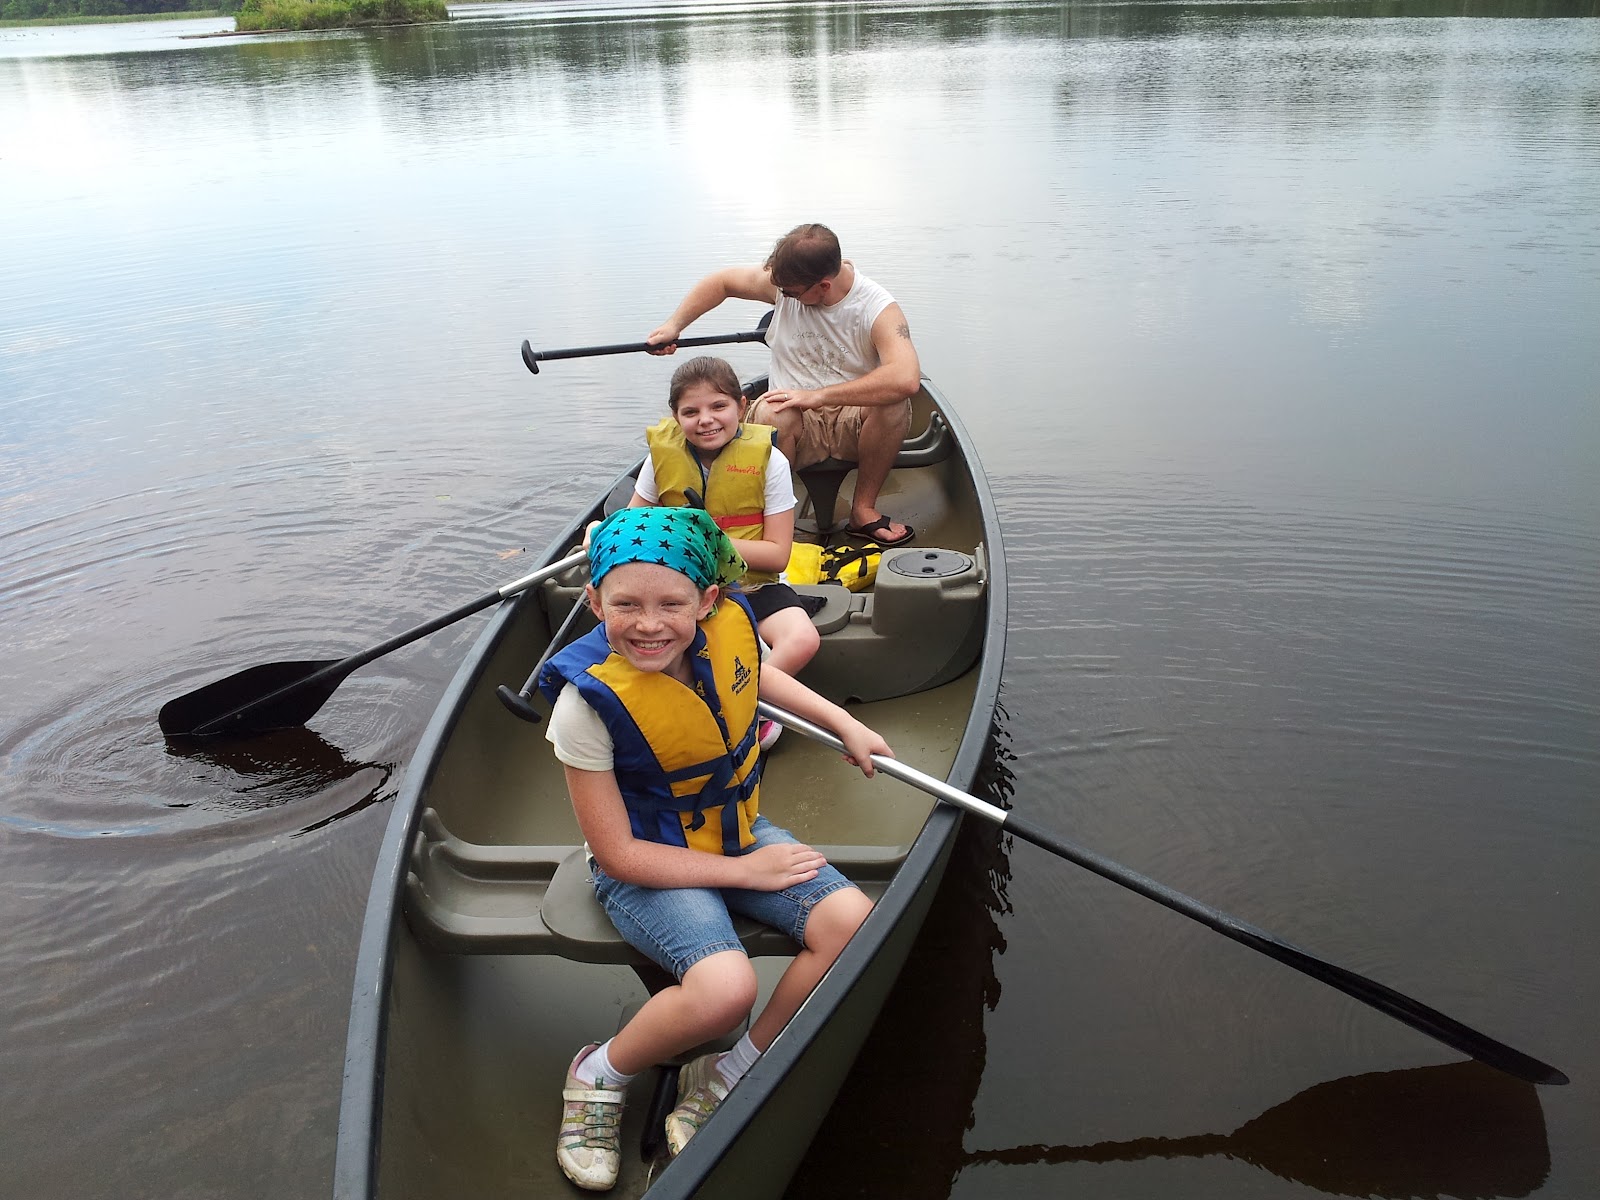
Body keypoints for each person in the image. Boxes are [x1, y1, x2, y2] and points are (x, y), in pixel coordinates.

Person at [540, 506, 887, 1192]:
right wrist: (745, 871)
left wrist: (842, 721)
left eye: (671, 604)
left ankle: (732, 1070)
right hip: (647, 865)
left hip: (733, 831)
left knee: (852, 924)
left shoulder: (727, 630)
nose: (649, 624)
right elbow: (619, 856)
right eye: (626, 604)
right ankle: (599, 1073)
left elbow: (755, 675)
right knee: (726, 990)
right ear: (595, 603)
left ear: (707, 601)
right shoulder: (584, 706)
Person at [646, 222, 922, 547]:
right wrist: (673, 326)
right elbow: (721, 282)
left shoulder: (876, 307)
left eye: (791, 293)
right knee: (775, 410)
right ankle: (776, 522)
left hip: (853, 424)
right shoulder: (782, 287)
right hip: (794, 423)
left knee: (894, 403)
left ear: (823, 285)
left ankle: (863, 509)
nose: (783, 297)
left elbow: (906, 378)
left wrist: (818, 396)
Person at [630, 354, 818, 751]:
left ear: (741, 406)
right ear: (675, 416)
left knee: (802, 639)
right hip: (685, 588)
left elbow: (777, 556)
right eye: (691, 412)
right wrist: (599, 532)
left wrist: (702, 538)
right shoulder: (659, 459)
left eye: (719, 406)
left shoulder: (771, 461)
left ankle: (751, 703)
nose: (706, 420)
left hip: (751, 583)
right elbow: (633, 526)